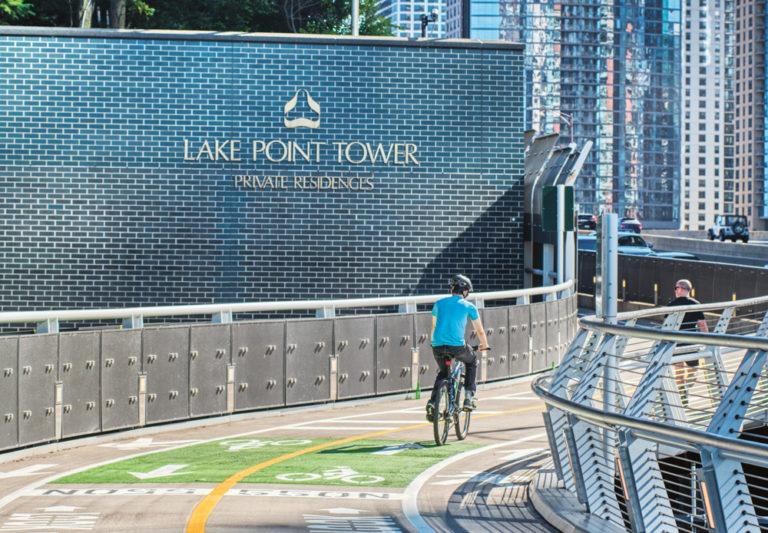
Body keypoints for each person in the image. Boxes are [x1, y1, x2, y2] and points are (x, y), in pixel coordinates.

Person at [426, 274, 490, 422]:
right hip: (457, 346)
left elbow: (434, 326)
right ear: (465, 291)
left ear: (452, 290)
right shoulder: (469, 306)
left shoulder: (439, 303)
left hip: (437, 345)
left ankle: (432, 403)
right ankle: (468, 397)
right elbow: (480, 331)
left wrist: (433, 342)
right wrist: (484, 345)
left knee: (443, 373)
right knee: (471, 361)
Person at [667, 279, 708, 398]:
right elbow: (702, 325)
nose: (675, 290)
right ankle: (686, 387)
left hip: (676, 341)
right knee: (693, 370)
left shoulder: (671, 305)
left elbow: (666, 324)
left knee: (679, 371)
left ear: (681, 289)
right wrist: (708, 340)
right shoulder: (695, 304)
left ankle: (681, 392)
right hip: (691, 341)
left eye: (676, 288)